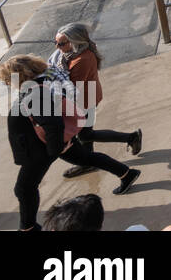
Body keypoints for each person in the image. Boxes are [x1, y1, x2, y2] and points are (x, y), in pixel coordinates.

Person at [0, 55, 140, 231]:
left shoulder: (35, 93)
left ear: (19, 76)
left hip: (40, 149)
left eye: (7, 79)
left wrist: (54, 150)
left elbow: (52, 124)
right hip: (50, 142)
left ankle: (28, 227)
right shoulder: (40, 83)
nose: (6, 83)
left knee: (24, 188)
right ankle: (126, 174)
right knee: (86, 158)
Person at [49, 23, 142, 179]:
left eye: (61, 43)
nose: (57, 47)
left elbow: (70, 87)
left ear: (74, 42)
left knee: (85, 135)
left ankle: (128, 138)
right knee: (86, 134)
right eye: (56, 42)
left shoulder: (82, 59)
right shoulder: (68, 54)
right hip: (85, 97)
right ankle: (90, 161)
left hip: (84, 101)